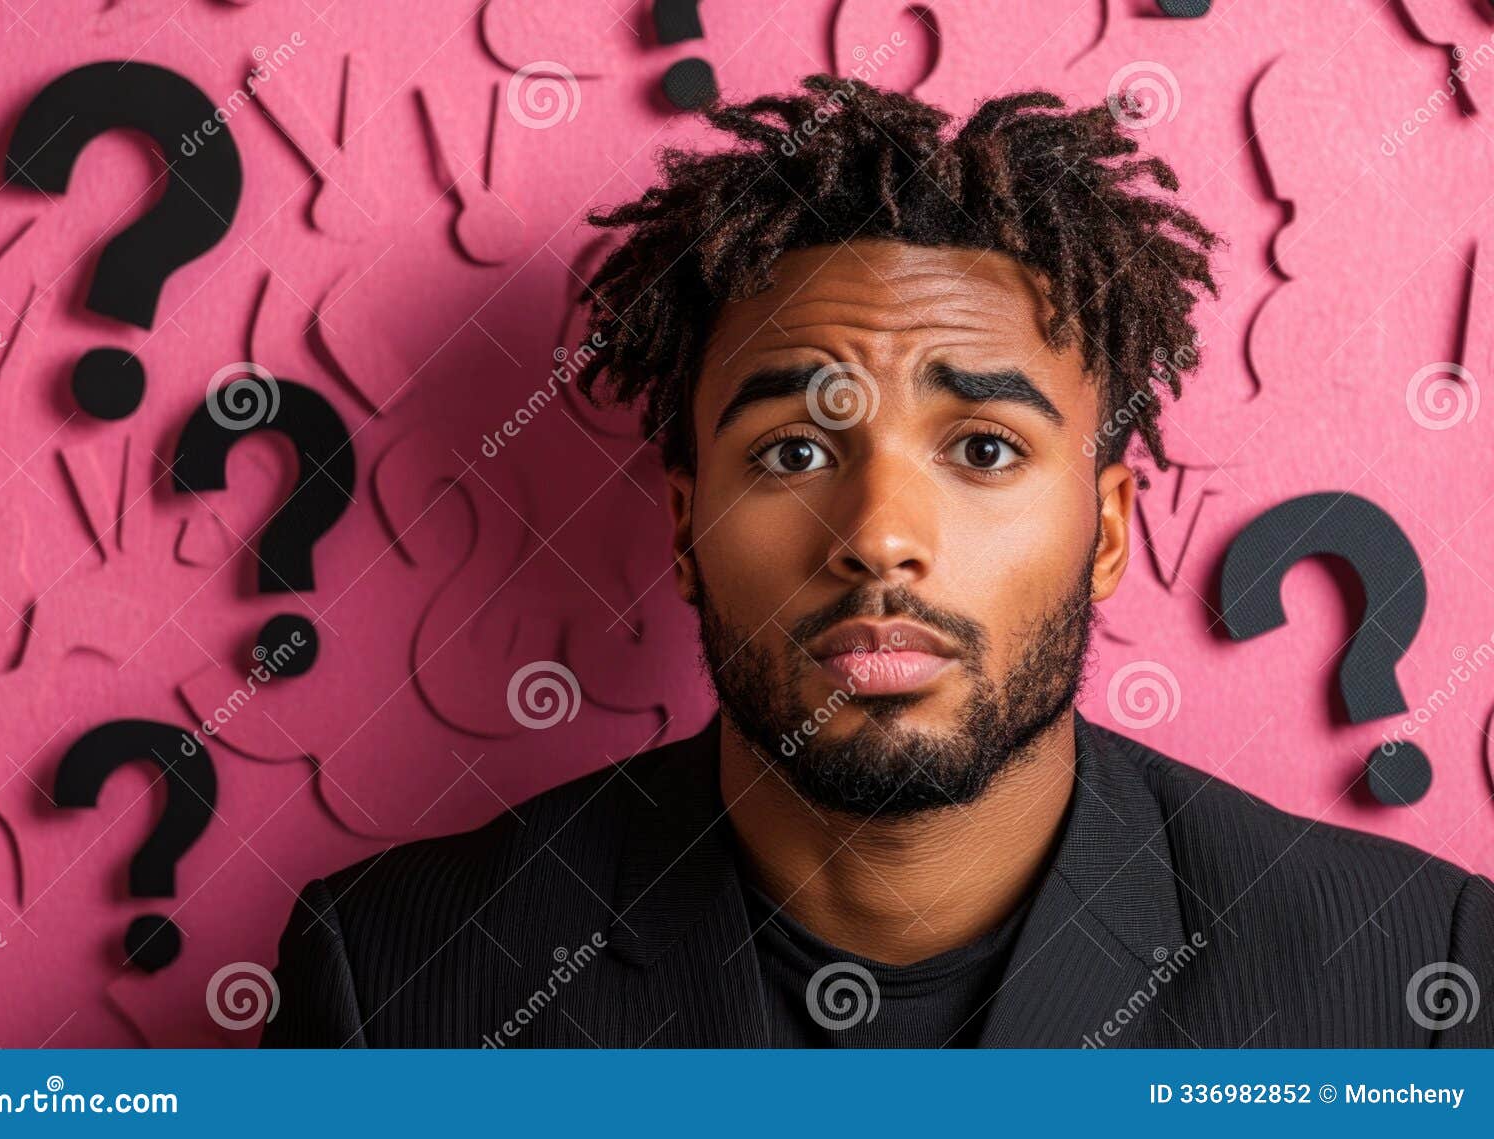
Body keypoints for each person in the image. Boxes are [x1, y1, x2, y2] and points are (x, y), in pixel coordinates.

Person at [262, 76, 1493, 1048]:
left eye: (981, 445)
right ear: (686, 525)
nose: (878, 535)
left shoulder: (1412, 974)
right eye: (793, 448)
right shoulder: (397, 981)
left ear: (1108, 528)